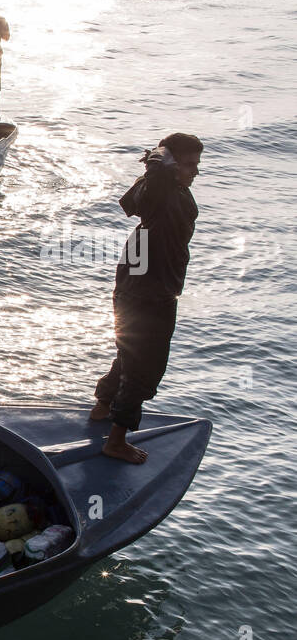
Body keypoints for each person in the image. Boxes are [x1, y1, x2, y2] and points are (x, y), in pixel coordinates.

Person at [90, 132, 203, 463]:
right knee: (145, 366)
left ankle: (103, 407)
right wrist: (160, 164)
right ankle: (116, 440)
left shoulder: (159, 188)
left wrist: (161, 164)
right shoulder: (160, 189)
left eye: (198, 165)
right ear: (170, 164)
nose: (195, 172)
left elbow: (132, 203)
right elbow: (148, 194)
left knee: (129, 354)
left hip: (135, 284)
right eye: (189, 165)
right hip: (150, 294)